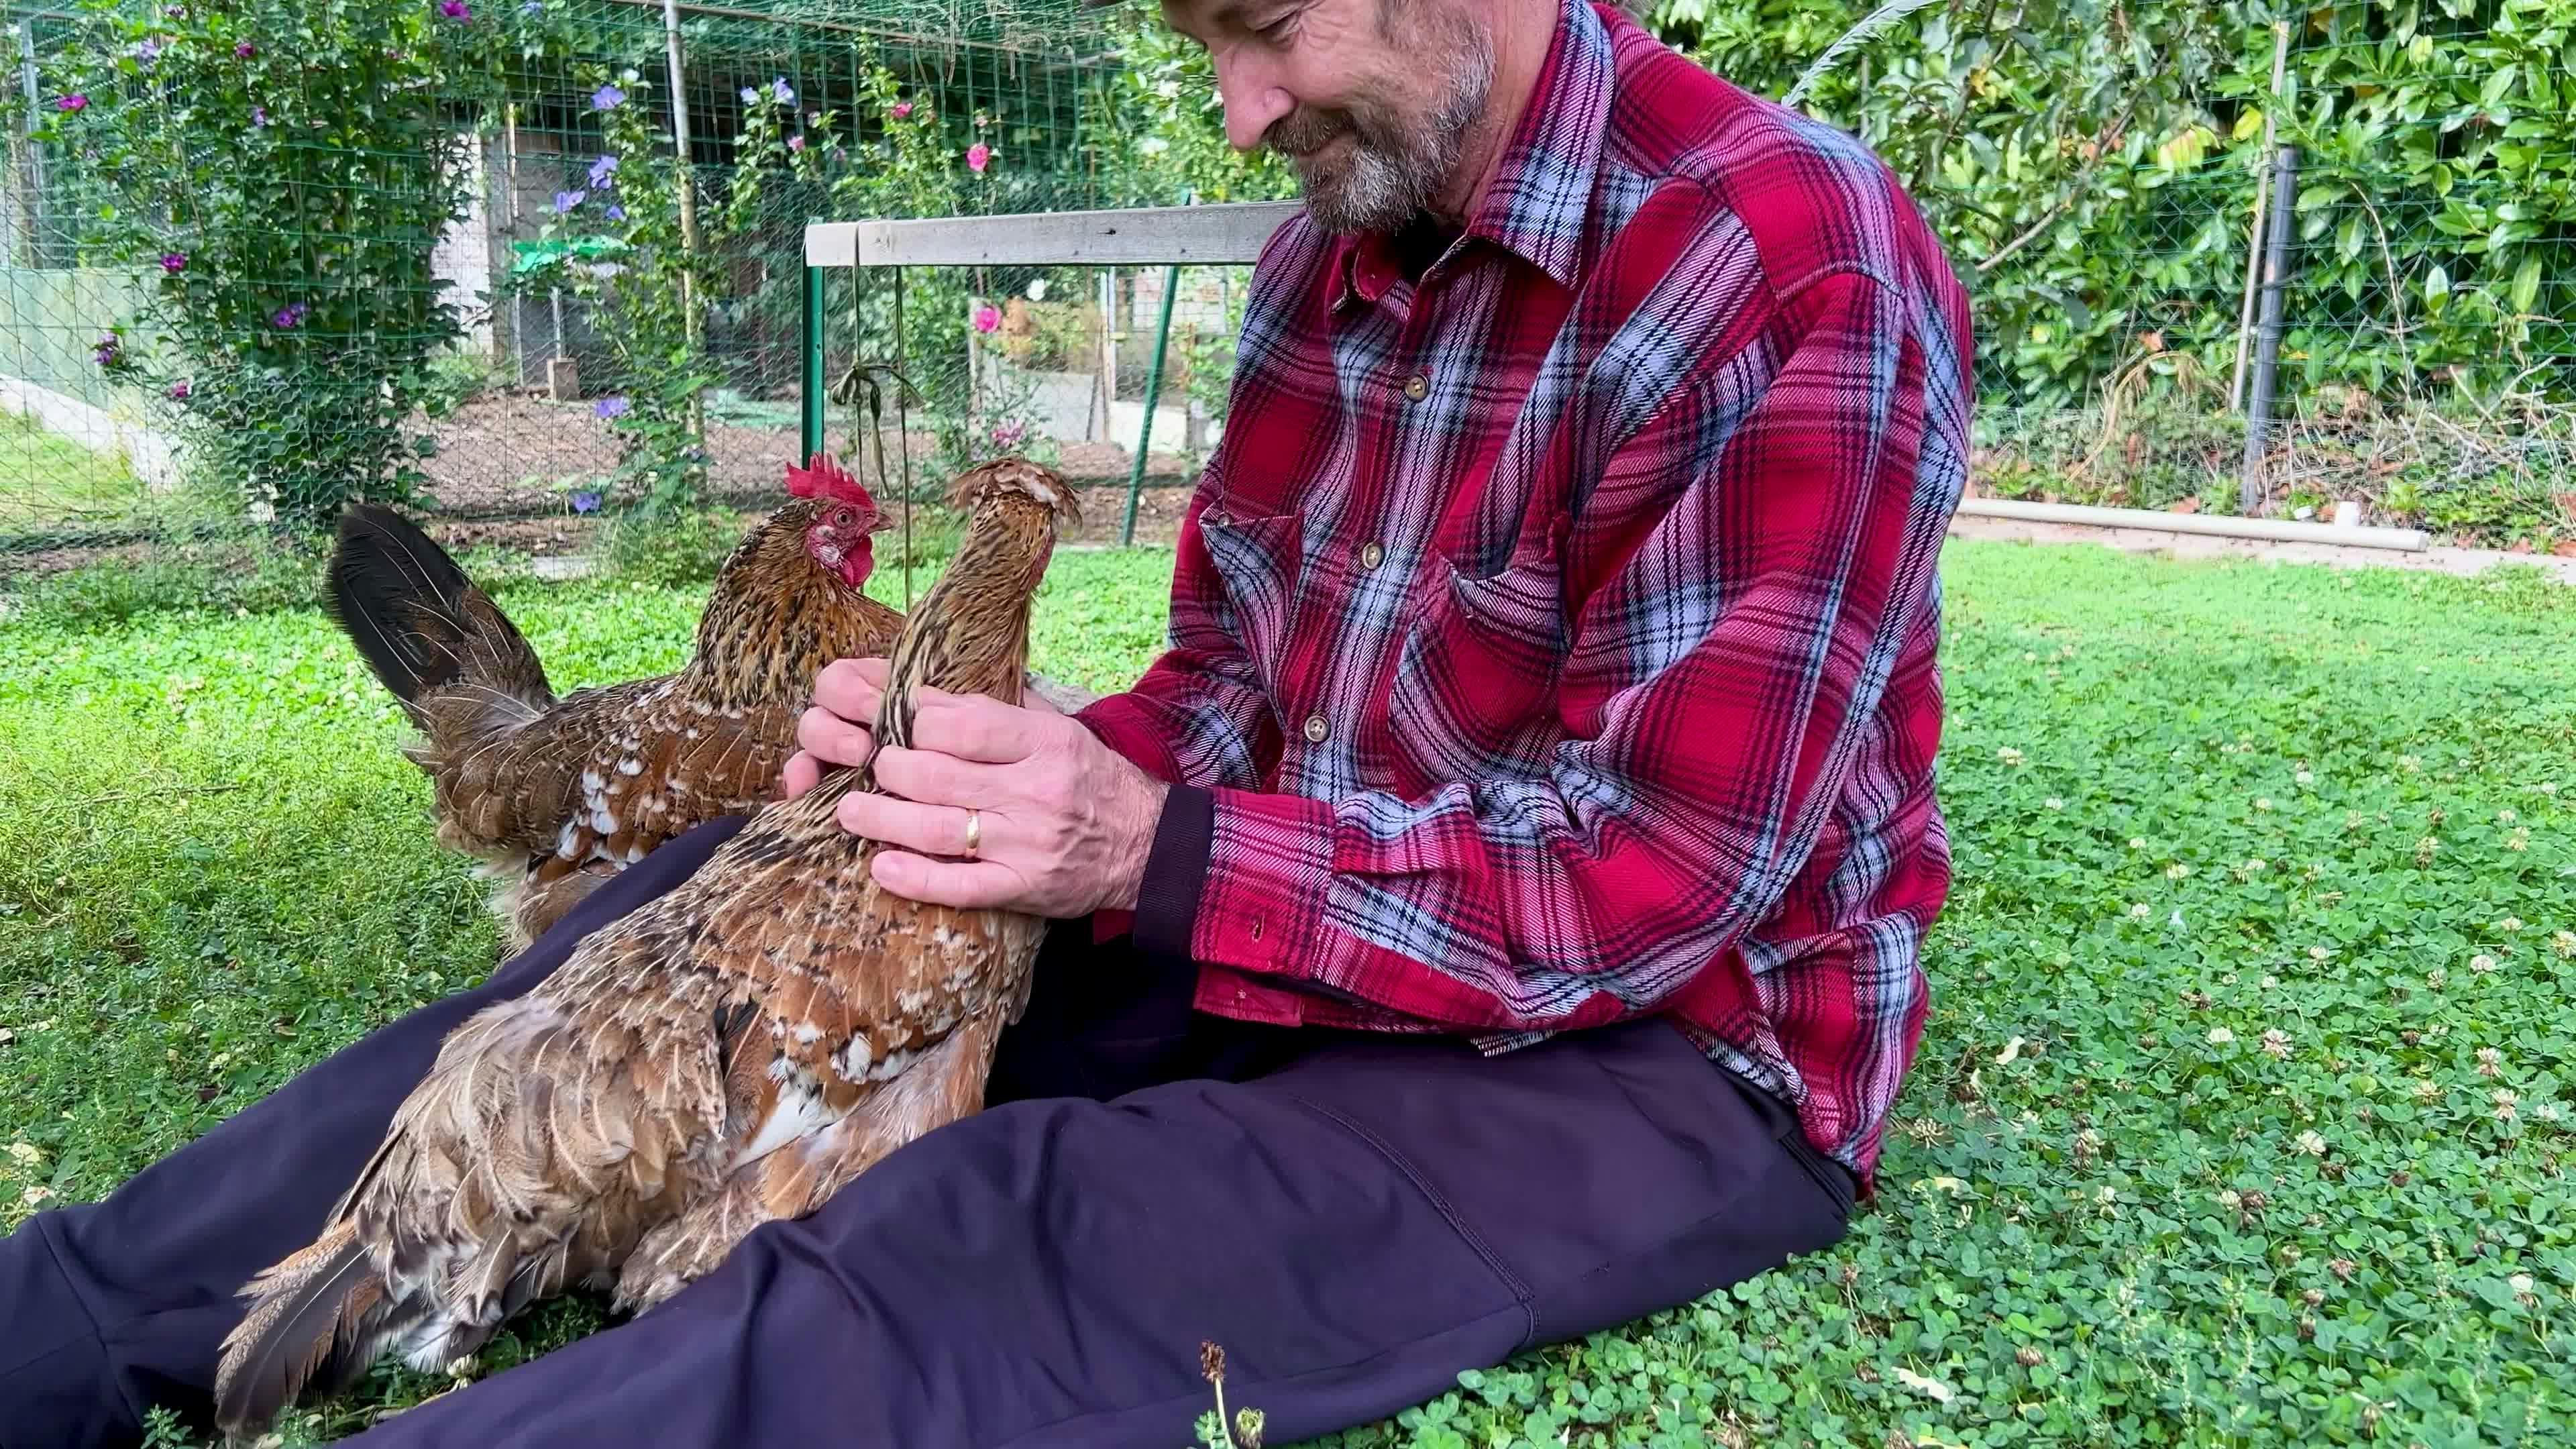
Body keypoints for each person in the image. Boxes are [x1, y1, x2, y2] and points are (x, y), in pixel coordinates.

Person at [0, 0, 1971, 1442]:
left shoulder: (1778, 269)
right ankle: (68, 1324)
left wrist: (1142, 851)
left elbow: (1658, 877)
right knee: (711, 907)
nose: (1237, 104)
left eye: (1262, 30)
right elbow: (1222, 683)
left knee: (982, 1237)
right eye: (1201, 39)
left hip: (1656, 1054)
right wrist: (963, 775)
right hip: (1303, 913)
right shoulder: (1327, 268)